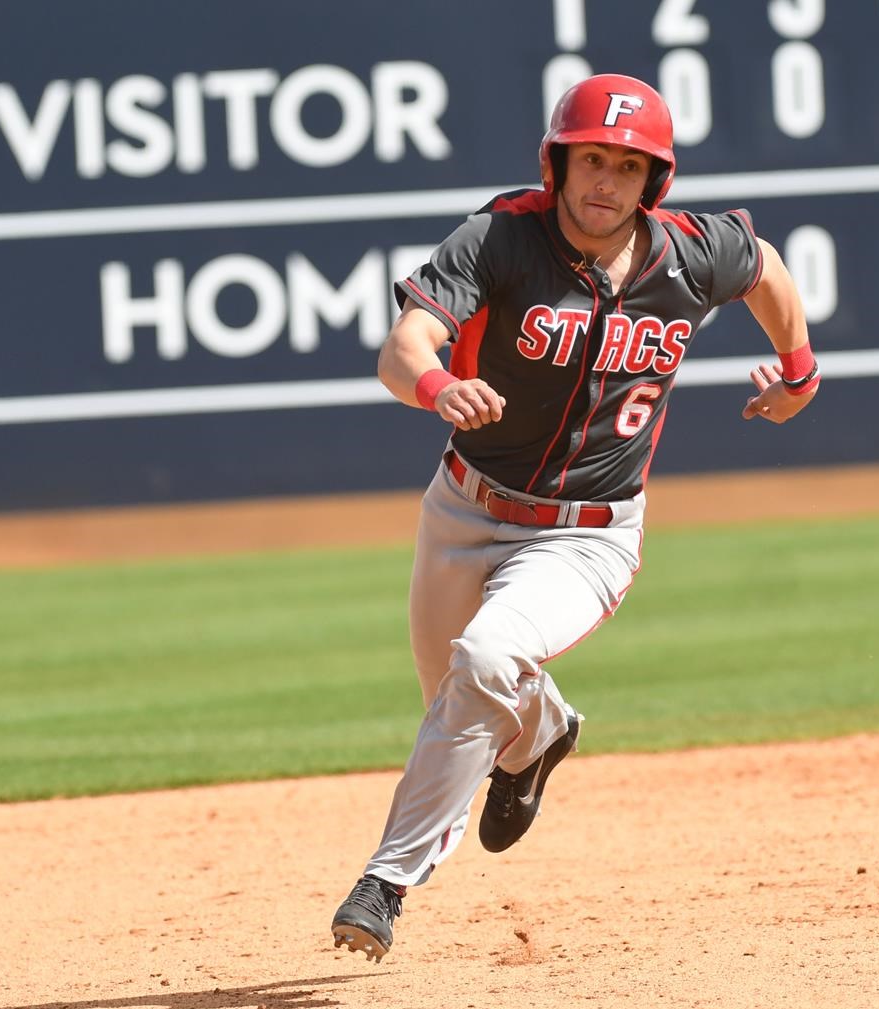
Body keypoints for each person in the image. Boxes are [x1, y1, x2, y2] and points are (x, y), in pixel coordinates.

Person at [330, 74, 821, 961]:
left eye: (629, 166)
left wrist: (800, 370)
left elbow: (764, 266)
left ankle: (386, 883)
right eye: (593, 157)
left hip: (588, 531)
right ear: (560, 162)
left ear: (652, 182)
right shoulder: (502, 238)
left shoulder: (688, 252)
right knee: (462, 695)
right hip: (465, 508)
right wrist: (437, 385)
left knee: (484, 661)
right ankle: (541, 733)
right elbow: (401, 350)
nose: (608, 180)